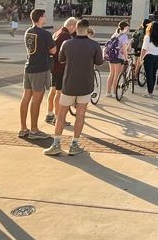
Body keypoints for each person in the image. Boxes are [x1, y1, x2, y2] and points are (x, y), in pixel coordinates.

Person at [44, 19, 103, 156]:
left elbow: (61, 59)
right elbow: (99, 62)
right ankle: (74, 144)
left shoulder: (67, 43)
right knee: (81, 114)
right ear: (88, 30)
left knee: (61, 114)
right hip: (85, 84)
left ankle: (56, 143)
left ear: (76, 28)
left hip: (68, 84)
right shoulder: (94, 45)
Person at [19, 9, 56, 139]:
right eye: (44, 16)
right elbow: (53, 50)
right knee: (37, 98)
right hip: (40, 68)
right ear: (40, 18)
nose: (45, 18)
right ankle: (34, 130)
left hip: (29, 66)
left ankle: (23, 128)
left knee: (26, 97)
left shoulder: (28, 31)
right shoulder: (45, 33)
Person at [46, 16, 77, 124]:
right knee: (59, 93)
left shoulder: (58, 32)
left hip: (54, 66)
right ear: (71, 26)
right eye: (75, 28)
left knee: (53, 91)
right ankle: (58, 118)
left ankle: (50, 114)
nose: (75, 31)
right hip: (61, 68)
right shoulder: (66, 36)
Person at [137, 21, 158, 96]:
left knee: (149, 74)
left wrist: (141, 58)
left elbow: (144, 49)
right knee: (153, 74)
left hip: (149, 56)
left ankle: (149, 91)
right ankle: (151, 90)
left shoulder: (148, 37)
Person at [106, 21, 131, 98]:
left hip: (111, 56)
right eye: (127, 28)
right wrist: (127, 58)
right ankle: (115, 92)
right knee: (117, 75)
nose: (128, 30)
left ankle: (108, 92)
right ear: (125, 28)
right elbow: (124, 49)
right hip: (119, 57)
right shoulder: (124, 36)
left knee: (111, 74)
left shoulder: (115, 34)